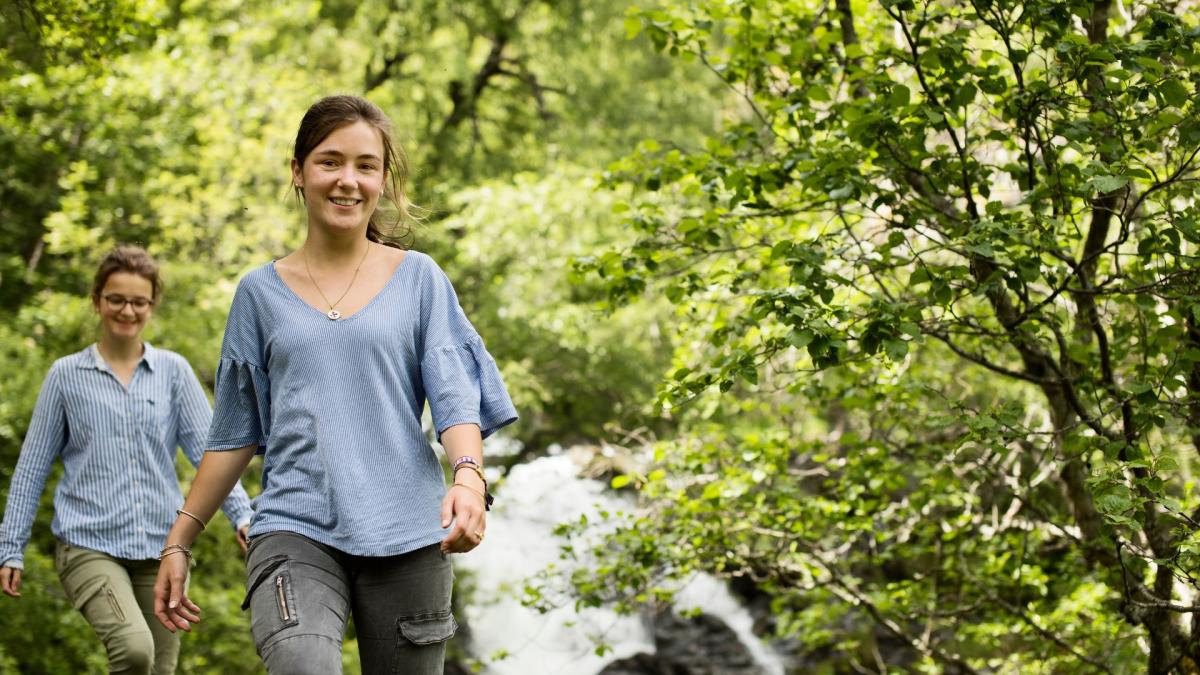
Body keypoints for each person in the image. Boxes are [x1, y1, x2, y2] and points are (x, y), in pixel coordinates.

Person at [153, 95, 517, 675]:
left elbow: (454, 396)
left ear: (382, 180)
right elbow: (233, 434)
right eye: (330, 161)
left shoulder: (419, 279)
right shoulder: (259, 294)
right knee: (302, 665)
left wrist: (469, 481)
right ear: (298, 172)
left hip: (410, 533)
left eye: (366, 165)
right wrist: (179, 540)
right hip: (295, 528)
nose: (348, 180)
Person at [0, 245, 255, 675]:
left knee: (161, 667)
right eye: (116, 299)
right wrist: (11, 549)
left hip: (163, 547)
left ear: (151, 306)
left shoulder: (173, 372)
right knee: (135, 652)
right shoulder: (65, 377)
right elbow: (31, 468)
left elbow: (212, 453)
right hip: (89, 545)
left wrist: (243, 515)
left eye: (139, 301)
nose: (127, 310)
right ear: (97, 301)